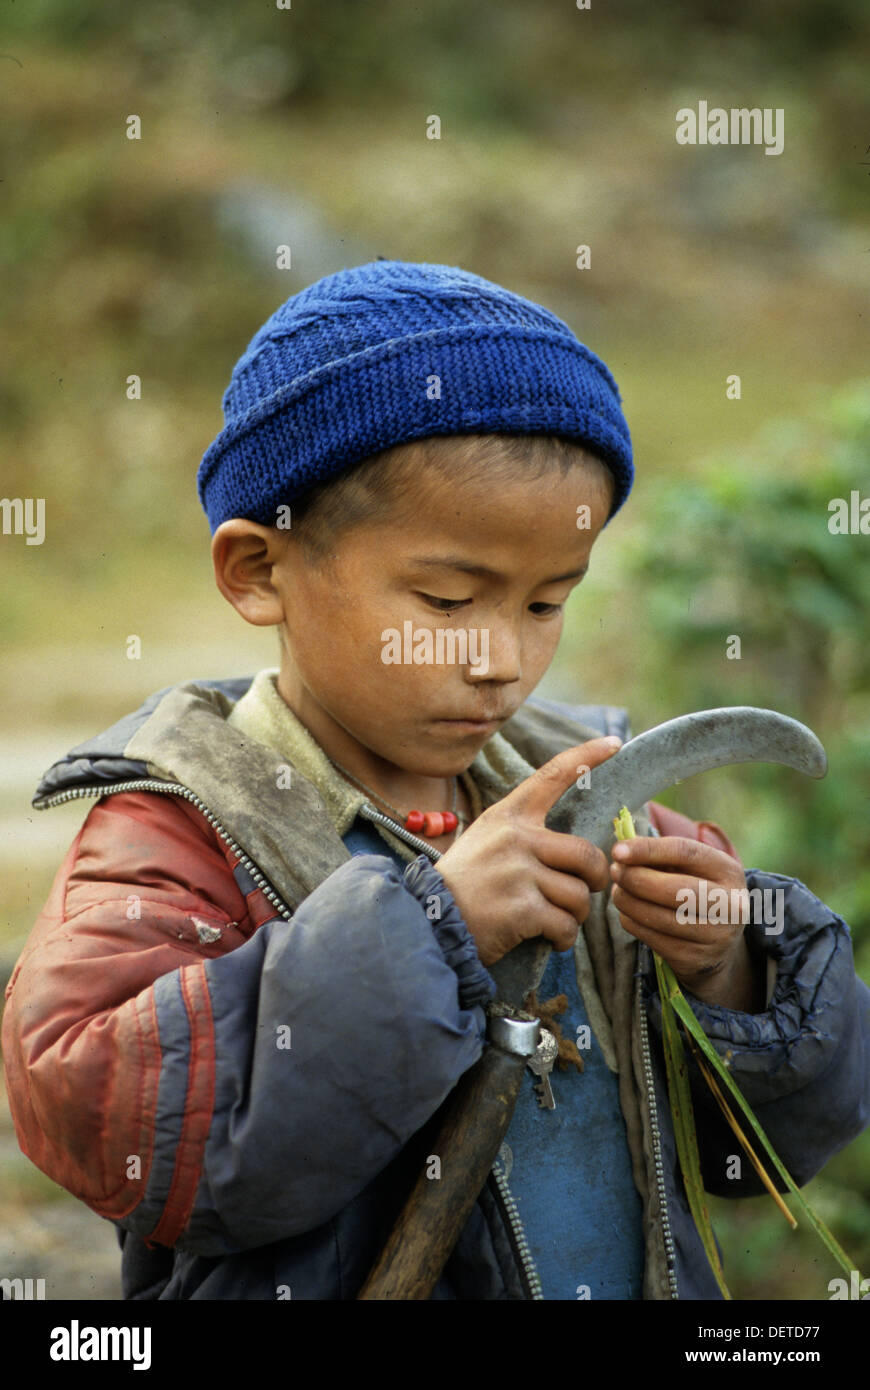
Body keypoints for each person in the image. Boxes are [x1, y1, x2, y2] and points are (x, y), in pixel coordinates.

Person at [4, 260, 868, 1301]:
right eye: (450, 600)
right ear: (259, 569)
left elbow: (761, 1151)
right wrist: (430, 931)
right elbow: (105, 1117)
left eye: (547, 604)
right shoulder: (186, 827)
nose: (502, 657)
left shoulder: (591, 791)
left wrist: (730, 971)